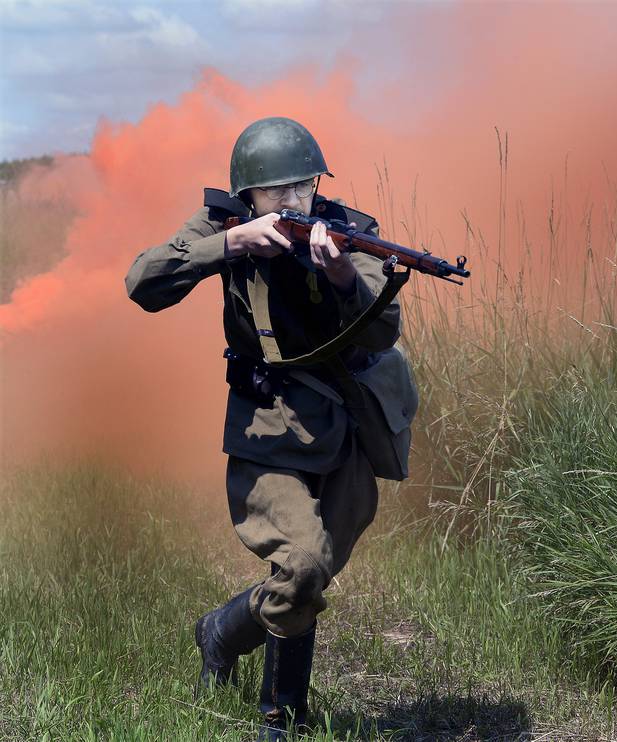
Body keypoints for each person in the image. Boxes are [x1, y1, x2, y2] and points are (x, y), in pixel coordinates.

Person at [125, 117, 417, 741]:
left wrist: (342, 276)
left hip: (346, 430)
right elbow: (143, 282)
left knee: (305, 578)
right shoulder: (223, 227)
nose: (291, 202)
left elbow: (382, 329)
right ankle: (281, 717)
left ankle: (221, 632)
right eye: (275, 192)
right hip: (267, 430)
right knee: (304, 567)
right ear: (249, 196)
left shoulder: (350, 232)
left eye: (302, 187)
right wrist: (232, 246)